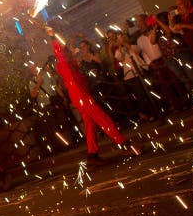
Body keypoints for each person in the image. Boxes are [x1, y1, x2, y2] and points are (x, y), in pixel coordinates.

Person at [46, 27, 138, 165]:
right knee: (103, 119)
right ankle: (125, 144)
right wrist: (52, 37)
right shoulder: (63, 64)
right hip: (81, 98)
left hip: (80, 97)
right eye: (67, 51)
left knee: (90, 126)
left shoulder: (69, 64)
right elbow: (59, 52)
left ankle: (92, 154)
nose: (71, 52)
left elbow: (67, 51)